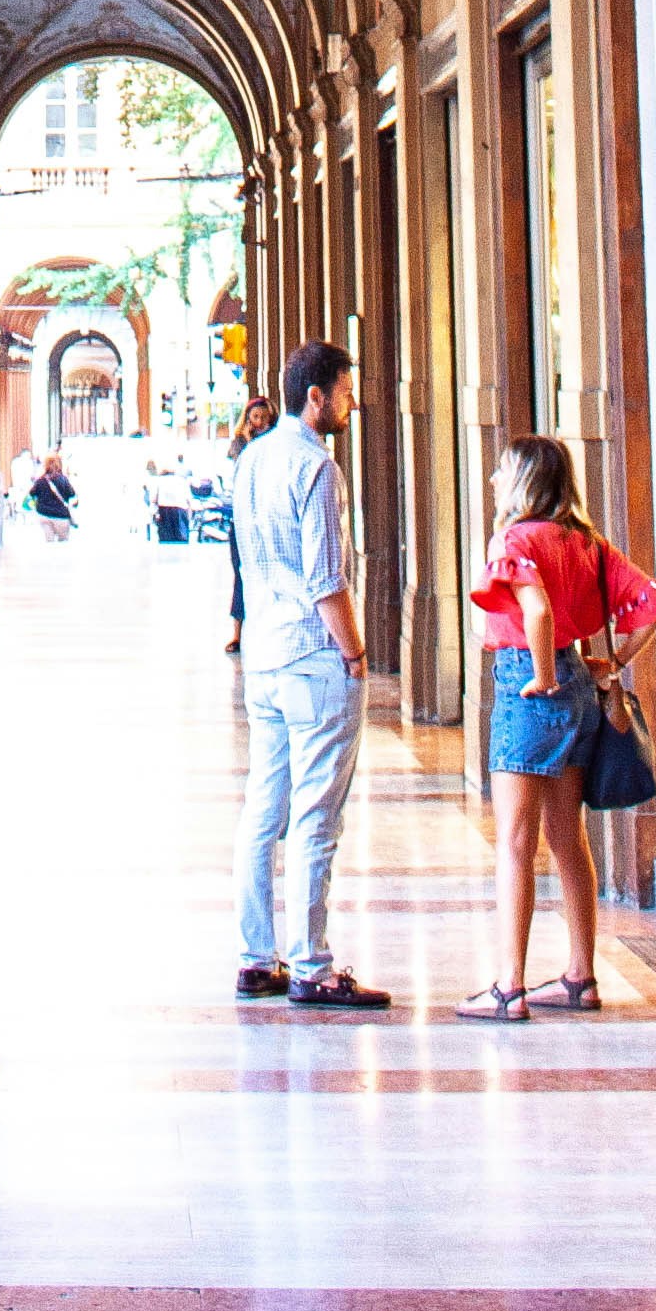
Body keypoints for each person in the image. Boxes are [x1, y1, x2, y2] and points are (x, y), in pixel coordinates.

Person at [458, 432, 656, 1023]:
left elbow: (538, 612)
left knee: (516, 842)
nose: (496, 482)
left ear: (525, 481)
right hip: (581, 684)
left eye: (503, 472)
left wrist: (543, 673)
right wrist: (613, 663)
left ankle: (509, 987)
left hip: (532, 684)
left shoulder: (516, 539)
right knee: (568, 838)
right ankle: (580, 976)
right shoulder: (588, 543)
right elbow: (653, 604)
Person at [229, 342, 386, 1011]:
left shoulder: (251, 459)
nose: (352, 404)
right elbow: (327, 578)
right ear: (315, 397)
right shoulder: (317, 468)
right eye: (345, 393)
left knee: (264, 809)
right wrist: (354, 653)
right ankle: (312, 965)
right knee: (318, 813)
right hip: (314, 659)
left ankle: (255, 956)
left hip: (263, 655)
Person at [222, 386, 276, 657]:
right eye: (255, 416)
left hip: (267, 517)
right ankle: (237, 632)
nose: (260, 422)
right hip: (243, 518)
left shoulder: (277, 444)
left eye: (265, 417)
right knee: (241, 573)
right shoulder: (241, 445)